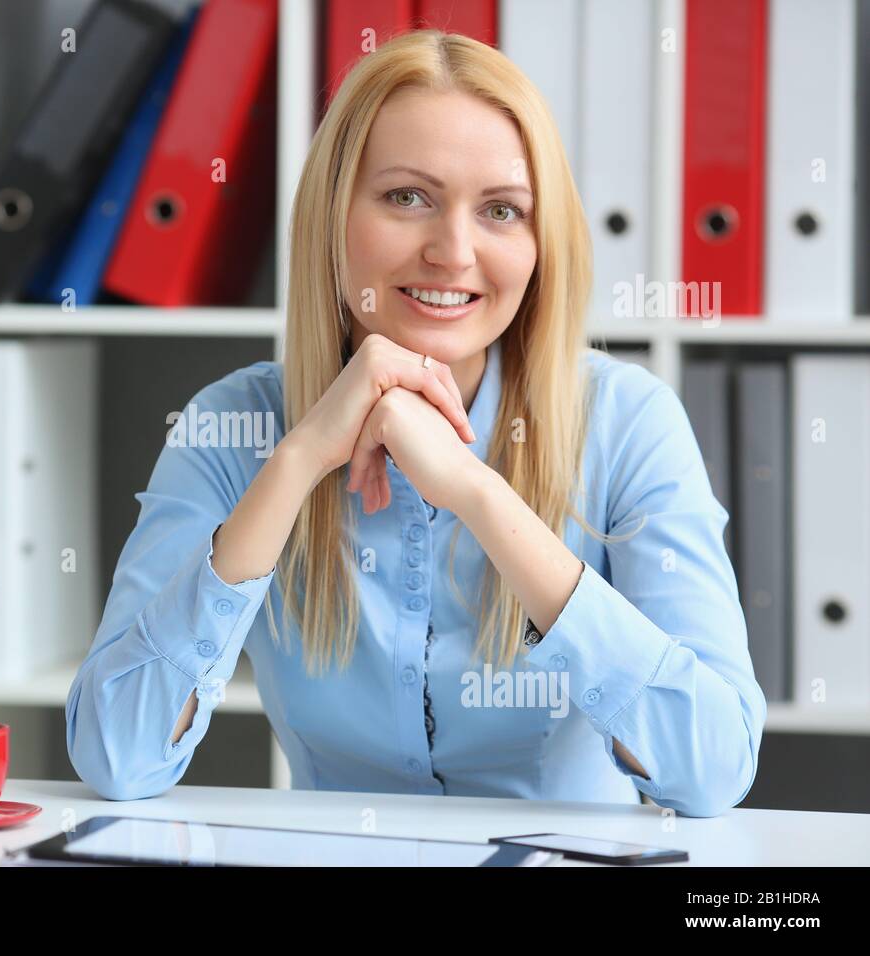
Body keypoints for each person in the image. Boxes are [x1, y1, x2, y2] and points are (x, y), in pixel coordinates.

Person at [65, 29, 764, 817]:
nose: (453, 252)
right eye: (408, 197)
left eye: (501, 211)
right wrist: (294, 464)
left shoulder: (628, 423)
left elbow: (712, 770)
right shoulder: (235, 426)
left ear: (540, 245)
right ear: (334, 215)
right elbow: (117, 755)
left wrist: (478, 494)